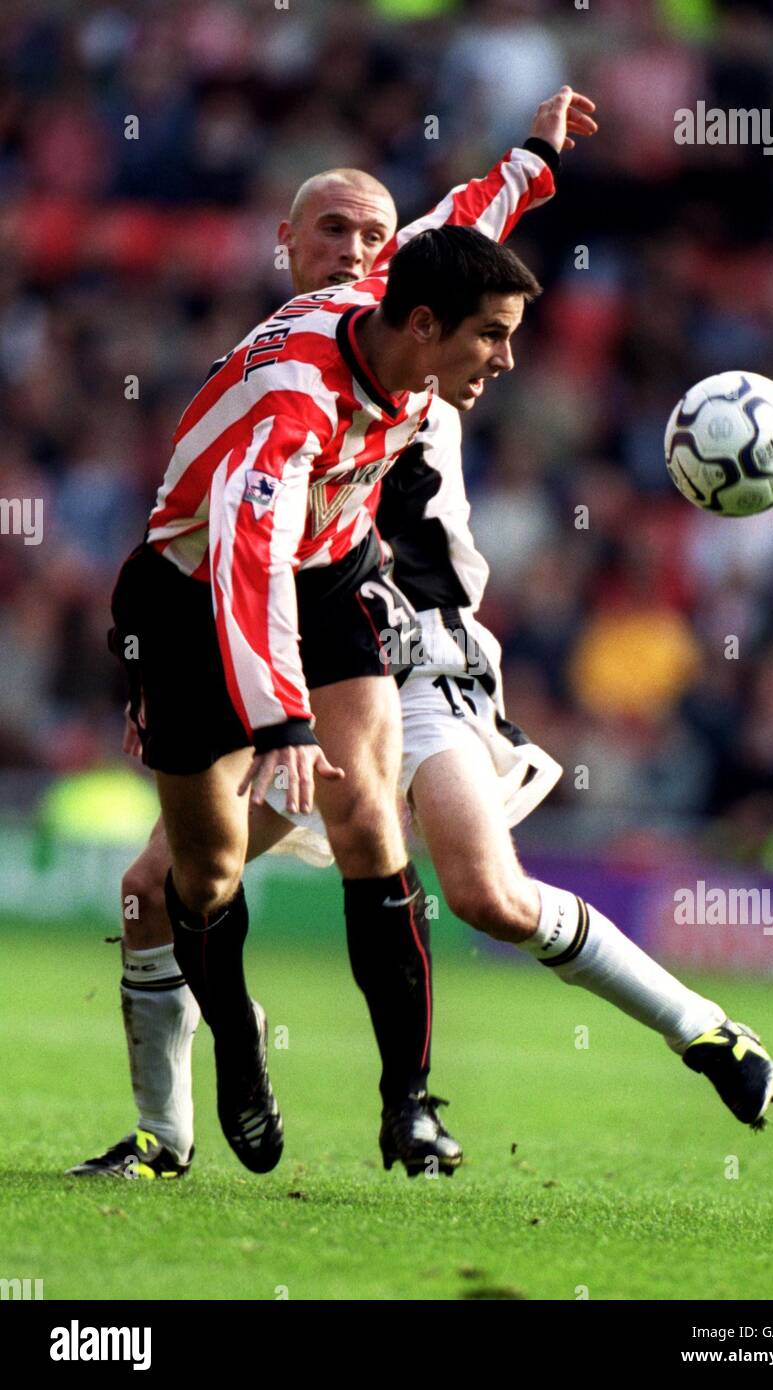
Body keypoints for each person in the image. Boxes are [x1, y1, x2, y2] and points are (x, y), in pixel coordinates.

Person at [78, 87, 595, 1183]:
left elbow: (471, 217)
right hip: (194, 590)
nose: (500, 362)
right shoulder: (292, 404)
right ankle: (235, 1046)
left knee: (368, 812)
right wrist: (277, 722)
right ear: (420, 328)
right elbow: (244, 560)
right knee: (205, 871)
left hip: (329, 575)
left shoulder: (403, 289)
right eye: (489, 341)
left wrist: (534, 153)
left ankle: (406, 1104)